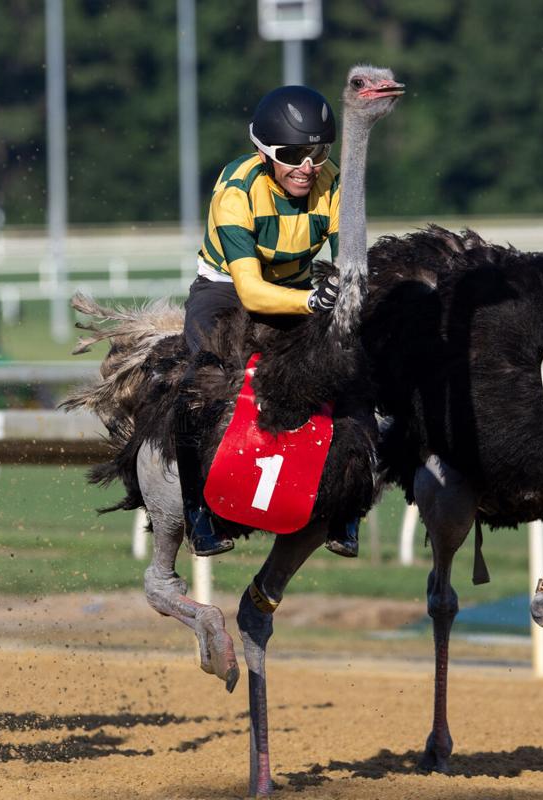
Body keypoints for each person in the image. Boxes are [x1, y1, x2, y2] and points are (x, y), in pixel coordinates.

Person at [176, 84, 357, 559]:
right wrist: (315, 303)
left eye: (318, 152)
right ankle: (198, 512)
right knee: (197, 384)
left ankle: (347, 510)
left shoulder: (333, 182)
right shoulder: (236, 192)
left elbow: (348, 260)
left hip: (300, 290)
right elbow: (252, 292)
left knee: (354, 374)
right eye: (294, 154)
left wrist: (343, 297)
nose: (308, 166)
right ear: (264, 152)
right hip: (226, 291)